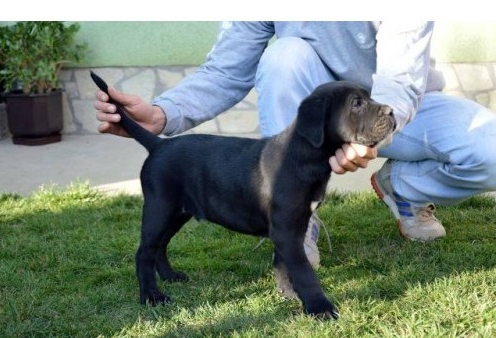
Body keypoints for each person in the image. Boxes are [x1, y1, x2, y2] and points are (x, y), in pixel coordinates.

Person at [94, 21, 496, 267]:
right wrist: (163, 113)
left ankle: (405, 189)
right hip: (320, 117)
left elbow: (401, 71)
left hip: (400, 106)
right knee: (283, 55)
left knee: (490, 152)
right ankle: (294, 219)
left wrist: (367, 134)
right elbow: (226, 69)